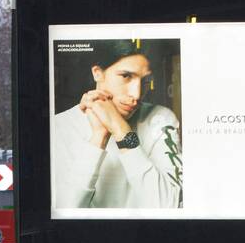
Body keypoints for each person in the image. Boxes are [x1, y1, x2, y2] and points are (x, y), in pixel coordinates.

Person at [52, 40, 182, 211]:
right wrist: (100, 135)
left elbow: (167, 206)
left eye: (145, 81)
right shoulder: (61, 124)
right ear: (98, 73)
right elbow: (67, 210)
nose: (136, 94)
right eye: (126, 76)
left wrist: (119, 128)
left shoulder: (160, 119)